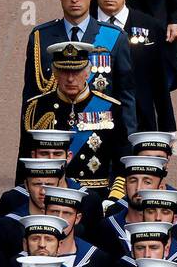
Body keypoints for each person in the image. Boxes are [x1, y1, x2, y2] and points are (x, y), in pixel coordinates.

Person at [20, 0, 136, 130]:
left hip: (97, 138)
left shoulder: (114, 37)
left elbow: (126, 97)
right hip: (52, 136)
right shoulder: (41, 37)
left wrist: (127, 149)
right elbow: (31, 96)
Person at [20, 42, 131, 203]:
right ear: (56, 73)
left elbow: (122, 158)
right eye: (64, 72)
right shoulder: (36, 107)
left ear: (87, 72)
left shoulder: (110, 107)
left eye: (76, 71)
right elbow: (25, 158)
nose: (71, 78)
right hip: (48, 194)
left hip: (96, 196)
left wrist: (114, 197)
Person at [92, 0, 177, 132]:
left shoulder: (152, 27)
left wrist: (166, 134)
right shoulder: (85, 27)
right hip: (95, 125)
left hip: (141, 125)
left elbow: (161, 87)